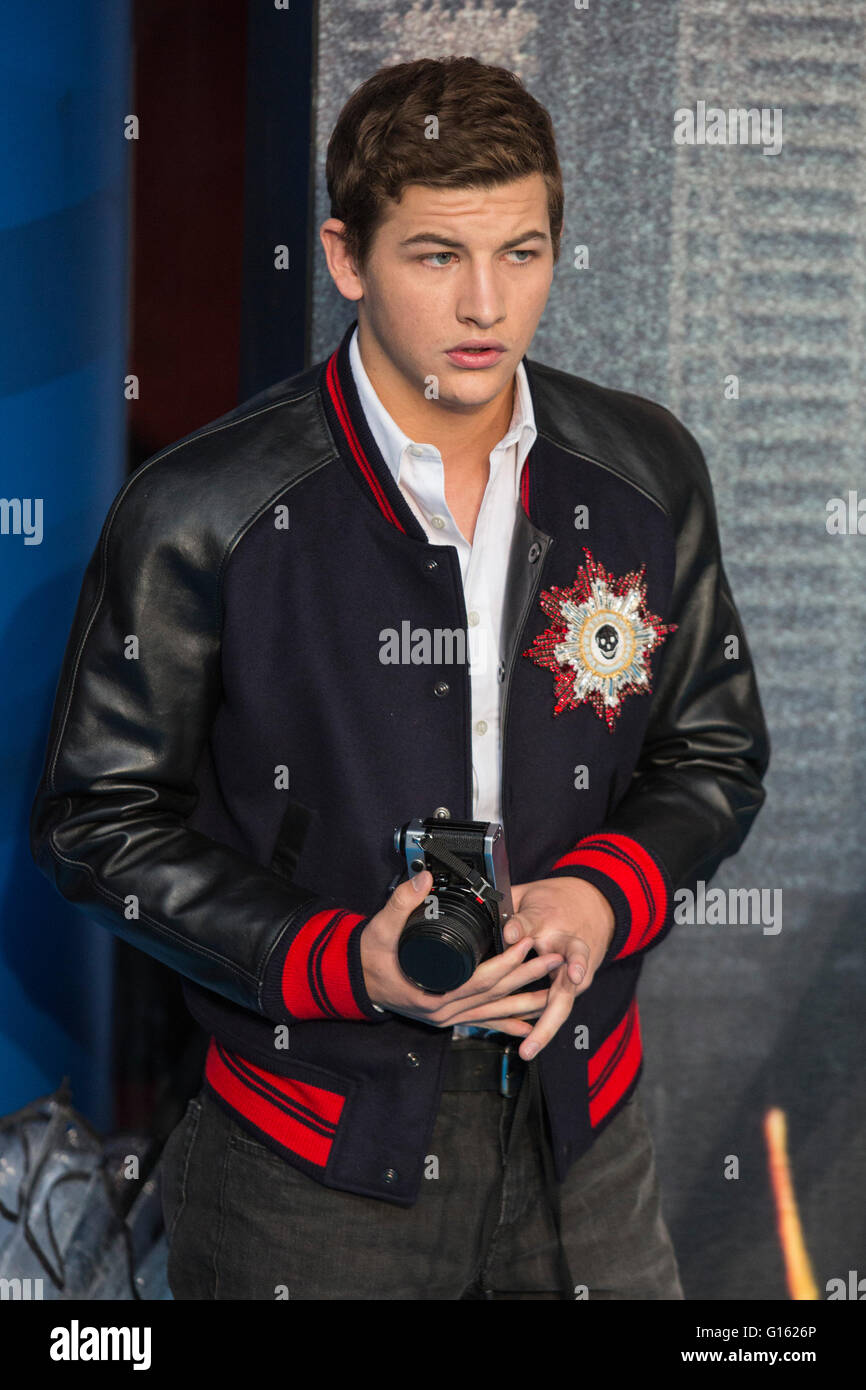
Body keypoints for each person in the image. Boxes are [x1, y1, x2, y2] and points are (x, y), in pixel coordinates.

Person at [30, 56, 770, 1300]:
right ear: (343, 256)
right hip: (303, 1162)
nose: (485, 303)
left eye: (520, 252)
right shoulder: (202, 510)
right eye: (435, 255)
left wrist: (599, 892)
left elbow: (712, 750)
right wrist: (336, 957)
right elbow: (93, 823)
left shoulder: (641, 471)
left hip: (585, 1140)